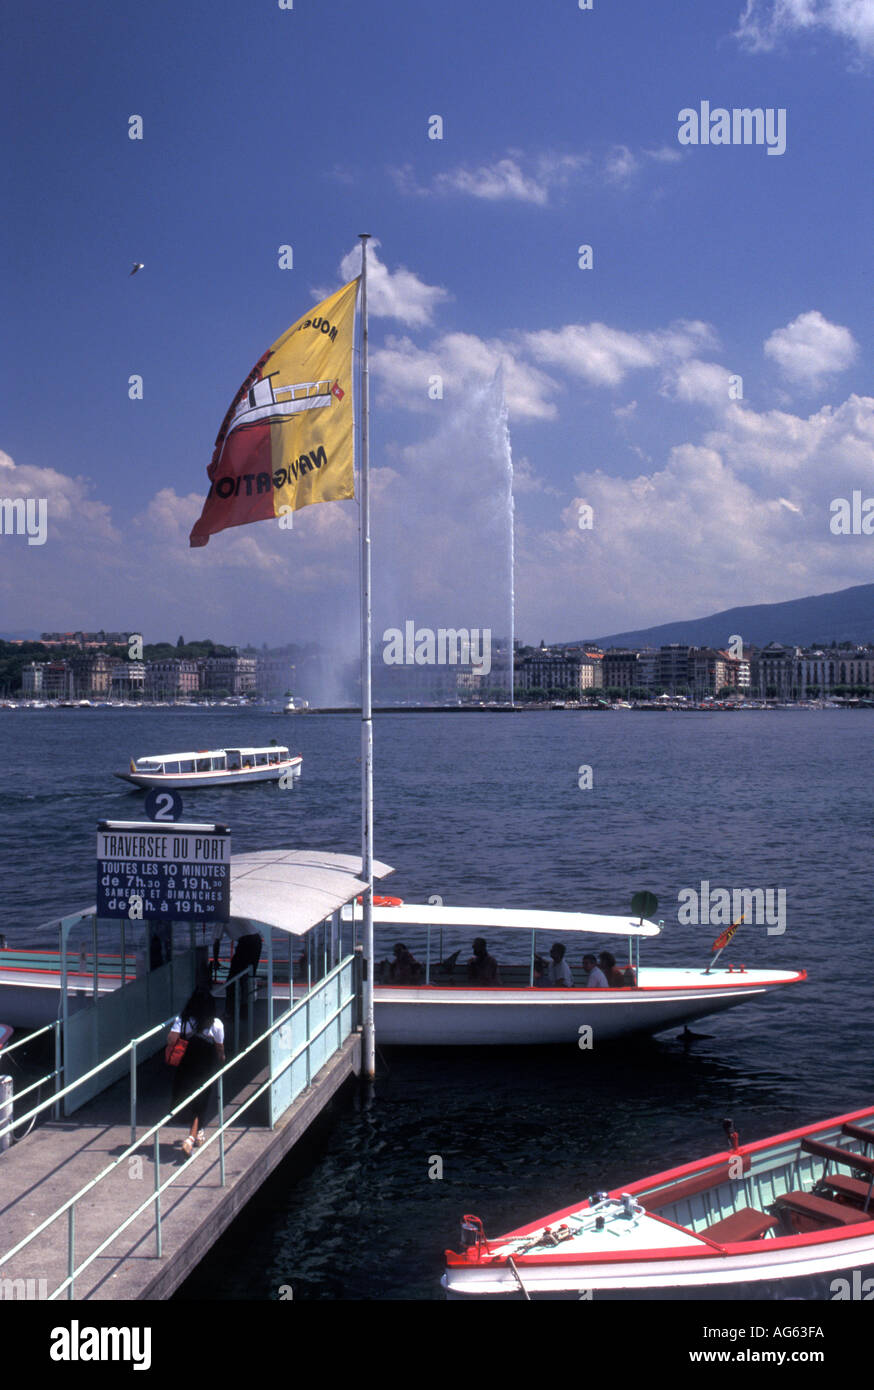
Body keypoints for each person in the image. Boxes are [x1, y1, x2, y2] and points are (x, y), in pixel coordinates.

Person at [165, 987, 225, 1156]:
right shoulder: (216, 1024)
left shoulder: (183, 1020)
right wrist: (222, 1059)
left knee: (187, 1097)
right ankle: (191, 1138)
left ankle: (198, 1133)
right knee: (202, 1100)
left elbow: (171, 1040)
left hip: (186, 1064)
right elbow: (220, 1049)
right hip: (205, 1065)